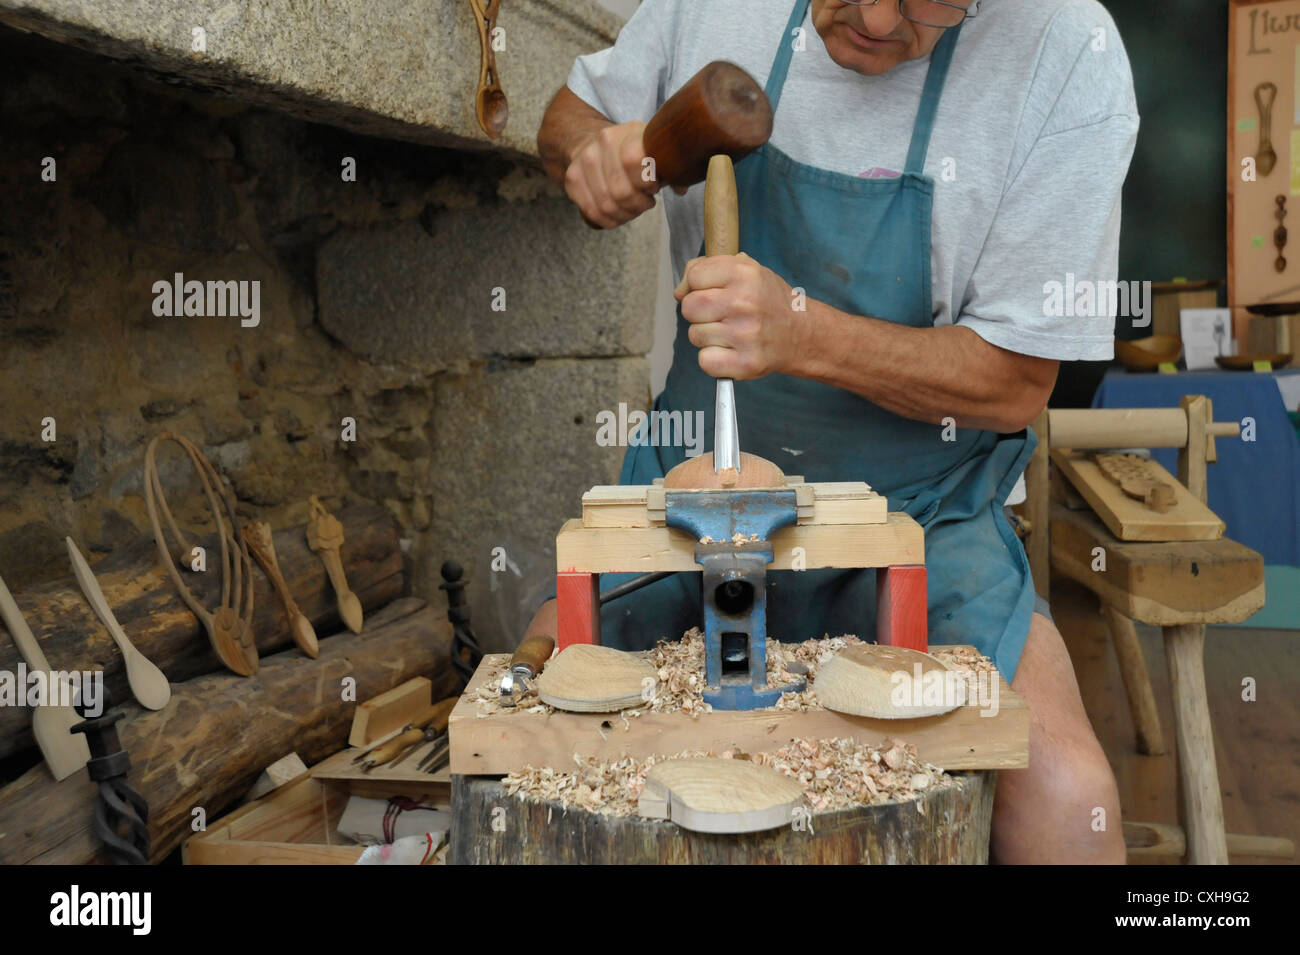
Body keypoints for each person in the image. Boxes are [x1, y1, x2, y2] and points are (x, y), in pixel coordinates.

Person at [530, 0, 1138, 863]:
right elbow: (565, 118)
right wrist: (596, 155)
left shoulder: (1066, 50)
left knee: (1069, 797)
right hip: (689, 497)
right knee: (530, 732)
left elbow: (1014, 384)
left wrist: (804, 333)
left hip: (923, 514)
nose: (881, 19)